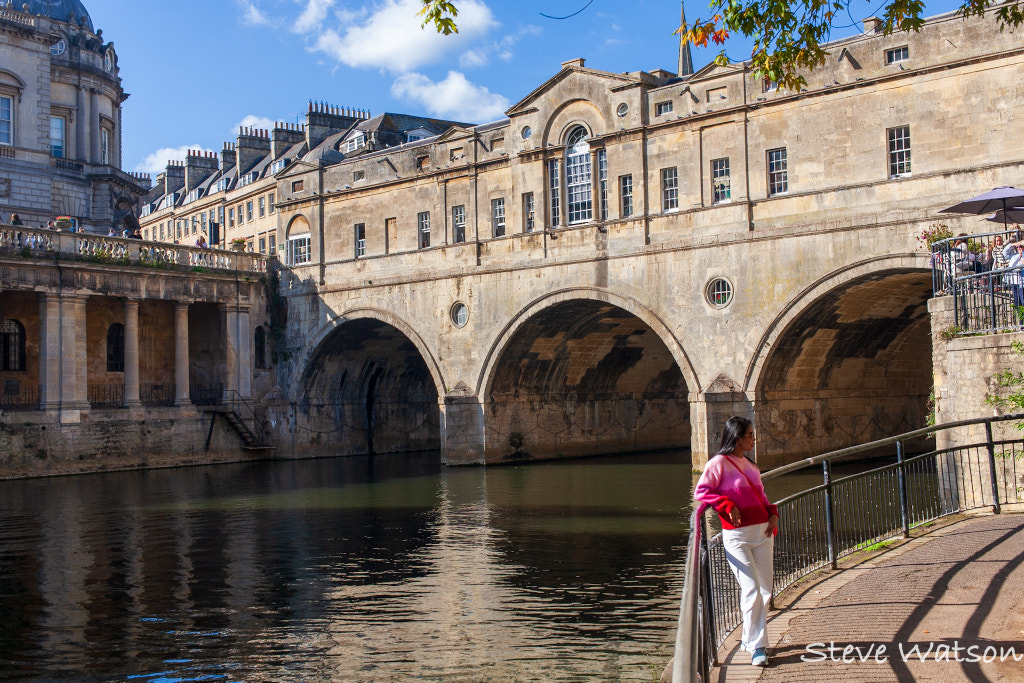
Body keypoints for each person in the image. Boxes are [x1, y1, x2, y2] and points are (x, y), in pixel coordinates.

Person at [693, 416, 779, 667]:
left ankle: (751, 640)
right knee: (751, 589)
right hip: (738, 537)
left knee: (765, 591)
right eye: (750, 435)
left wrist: (773, 513)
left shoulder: (751, 466)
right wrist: (727, 504)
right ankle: (757, 647)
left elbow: (762, 497)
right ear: (737, 437)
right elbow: (702, 491)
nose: (754, 439)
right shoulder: (718, 463)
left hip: (763, 533)